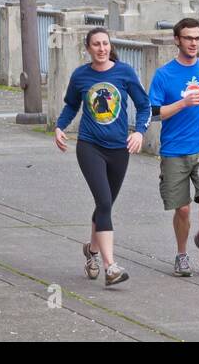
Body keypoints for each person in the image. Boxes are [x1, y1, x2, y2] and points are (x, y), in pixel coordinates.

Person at [55, 27, 149, 287]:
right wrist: (59, 126)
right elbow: (71, 105)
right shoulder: (81, 75)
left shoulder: (125, 73)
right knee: (104, 202)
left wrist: (139, 132)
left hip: (120, 149)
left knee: (103, 207)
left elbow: (144, 106)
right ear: (88, 48)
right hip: (90, 146)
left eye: (105, 44)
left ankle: (92, 252)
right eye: (96, 44)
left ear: (110, 46)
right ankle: (111, 267)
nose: (101, 48)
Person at [148, 18, 199, 277]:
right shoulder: (164, 74)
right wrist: (183, 103)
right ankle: (181, 255)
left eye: (197, 38)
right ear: (177, 40)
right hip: (174, 150)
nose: (194, 43)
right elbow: (154, 112)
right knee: (181, 208)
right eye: (189, 38)